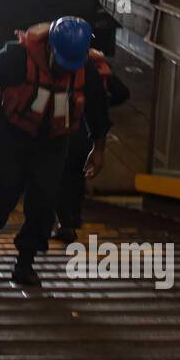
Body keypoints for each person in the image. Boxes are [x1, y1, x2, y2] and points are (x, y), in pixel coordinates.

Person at [0, 17, 112, 285]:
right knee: (4, 189)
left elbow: (98, 110)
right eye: (60, 63)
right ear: (49, 48)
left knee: (43, 200)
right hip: (12, 134)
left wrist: (98, 148)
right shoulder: (16, 57)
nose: (64, 70)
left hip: (53, 142)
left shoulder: (85, 69)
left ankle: (25, 262)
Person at [51, 55, 128, 243]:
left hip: (68, 128)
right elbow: (122, 93)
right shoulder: (97, 63)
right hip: (87, 132)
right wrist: (101, 104)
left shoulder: (59, 64)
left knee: (63, 176)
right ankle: (74, 215)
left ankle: (65, 223)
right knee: (77, 175)